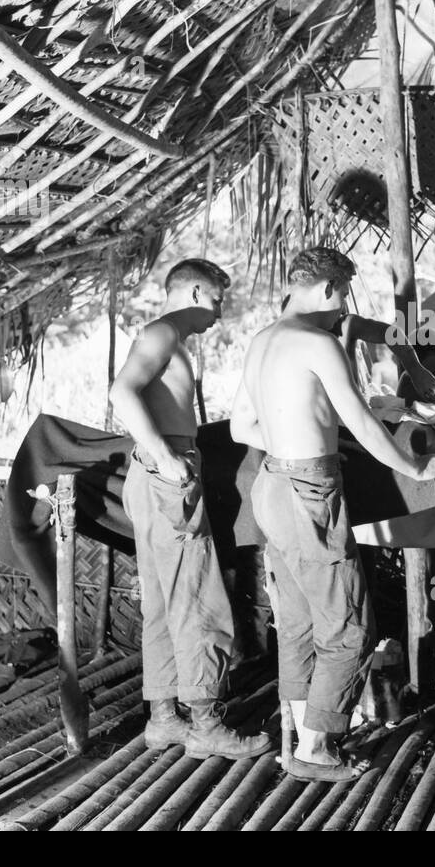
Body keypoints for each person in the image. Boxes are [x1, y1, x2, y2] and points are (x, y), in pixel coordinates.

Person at [230, 247, 435, 780]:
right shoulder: (319, 341)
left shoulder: (263, 340)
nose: (343, 307)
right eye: (345, 295)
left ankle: (299, 729)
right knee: (350, 625)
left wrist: (293, 446)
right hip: (308, 491)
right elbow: (365, 424)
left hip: (272, 486)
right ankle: (315, 749)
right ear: (332, 289)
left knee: (302, 620)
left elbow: (242, 427)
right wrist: (418, 469)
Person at [109, 259, 272, 759]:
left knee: (162, 600)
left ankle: (163, 719)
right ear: (198, 292)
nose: (221, 311)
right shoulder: (162, 333)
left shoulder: (172, 341)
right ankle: (205, 723)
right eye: (219, 299)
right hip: (166, 475)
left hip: (155, 476)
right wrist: (163, 456)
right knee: (198, 598)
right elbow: (121, 392)